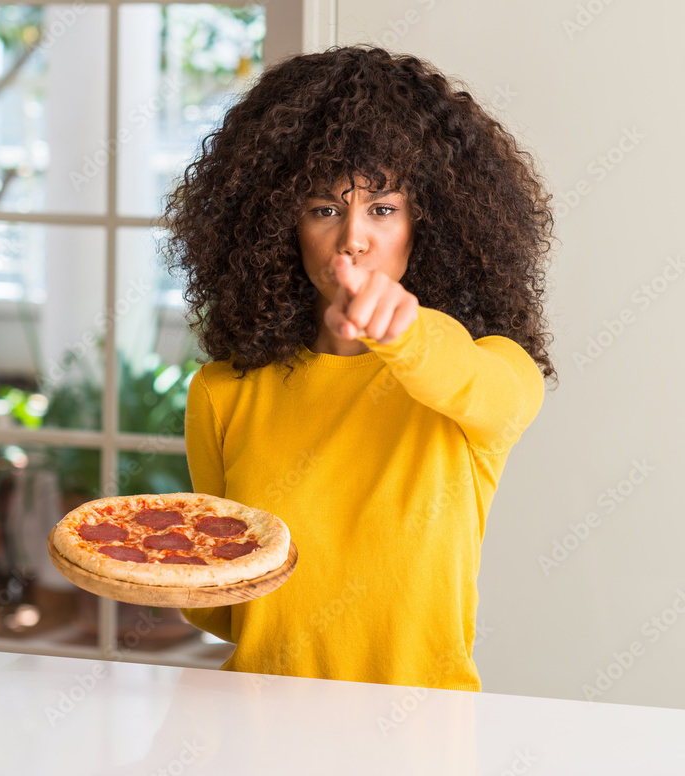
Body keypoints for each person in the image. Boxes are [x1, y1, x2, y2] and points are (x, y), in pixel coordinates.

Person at [162, 45, 556, 691]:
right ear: (279, 223)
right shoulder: (222, 392)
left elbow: (484, 390)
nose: (353, 237)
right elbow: (230, 613)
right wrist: (178, 569)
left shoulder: (485, 374)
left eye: (382, 208)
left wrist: (401, 330)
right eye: (324, 208)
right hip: (254, 729)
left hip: (422, 739)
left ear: (428, 223)